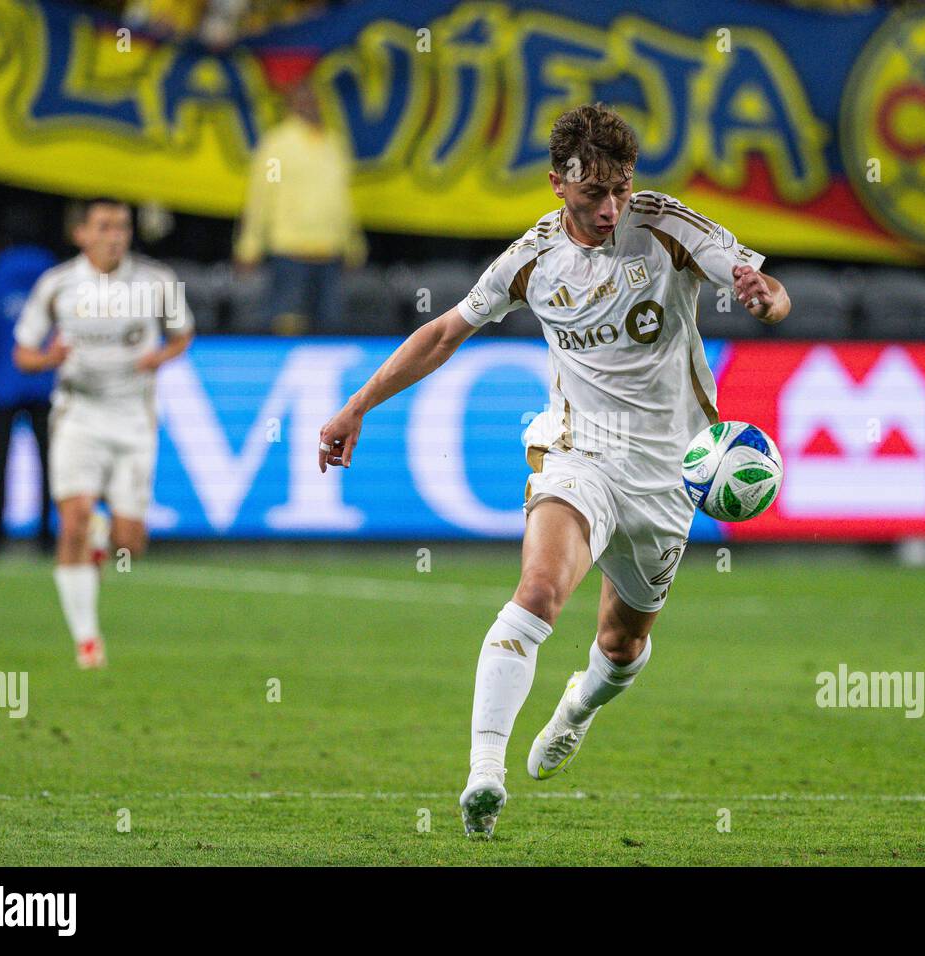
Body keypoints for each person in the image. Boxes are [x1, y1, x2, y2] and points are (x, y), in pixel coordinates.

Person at [317, 103, 790, 838]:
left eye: (621, 189)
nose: (610, 208)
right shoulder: (533, 259)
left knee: (622, 645)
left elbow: (761, 281)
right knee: (539, 590)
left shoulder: (665, 227)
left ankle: (577, 710)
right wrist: (357, 407)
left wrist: (768, 297)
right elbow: (446, 331)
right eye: (594, 193)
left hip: (672, 474)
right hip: (580, 451)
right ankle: (484, 773)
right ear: (556, 185)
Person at [13, 199, 194, 669]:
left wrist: (161, 357)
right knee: (71, 521)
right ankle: (87, 640)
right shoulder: (57, 285)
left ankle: (103, 541)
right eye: (105, 226)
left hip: (134, 416)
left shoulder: (156, 282)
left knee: (129, 544)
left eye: (122, 226)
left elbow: (183, 335)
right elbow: (23, 353)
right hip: (79, 413)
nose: (115, 235)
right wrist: (48, 359)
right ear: (81, 234)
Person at [233, 80, 365, 334]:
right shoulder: (277, 144)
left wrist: (353, 244)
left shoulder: (334, 144)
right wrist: (249, 246)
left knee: (331, 328)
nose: (310, 106)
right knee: (287, 325)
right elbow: (261, 197)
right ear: (289, 106)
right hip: (289, 251)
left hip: (330, 251)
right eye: (302, 101)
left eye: (314, 100)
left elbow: (343, 199)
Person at [0, 208, 57, 553]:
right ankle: (46, 536)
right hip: (44, 382)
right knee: (48, 462)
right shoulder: (53, 276)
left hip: (4, 385)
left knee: (1, 462)